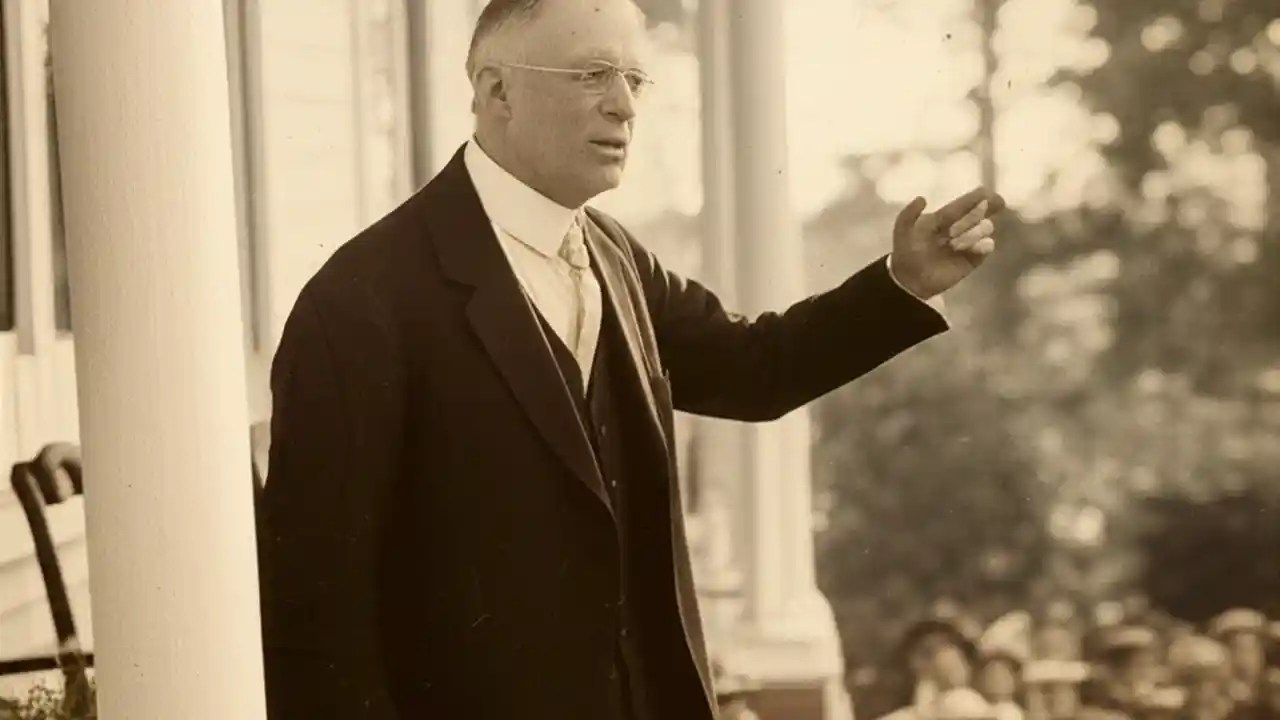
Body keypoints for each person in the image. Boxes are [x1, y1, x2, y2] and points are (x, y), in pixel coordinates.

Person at [256, 0, 1006, 717]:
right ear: (496, 91)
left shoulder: (615, 257)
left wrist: (901, 284)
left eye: (635, 79)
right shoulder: (361, 303)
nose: (624, 107)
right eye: (591, 75)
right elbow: (316, 619)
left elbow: (755, 369)